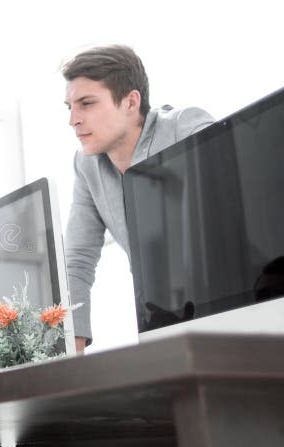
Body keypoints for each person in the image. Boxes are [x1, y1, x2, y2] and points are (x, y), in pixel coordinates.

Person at [62, 45, 215, 351]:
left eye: (87, 103)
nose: (73, 120)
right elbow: (78, 261)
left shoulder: (185, 127)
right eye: (69, 107)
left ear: (131, 102)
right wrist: (70, 355)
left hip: (232, 297)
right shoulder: (87, 165)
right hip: (158, 310)